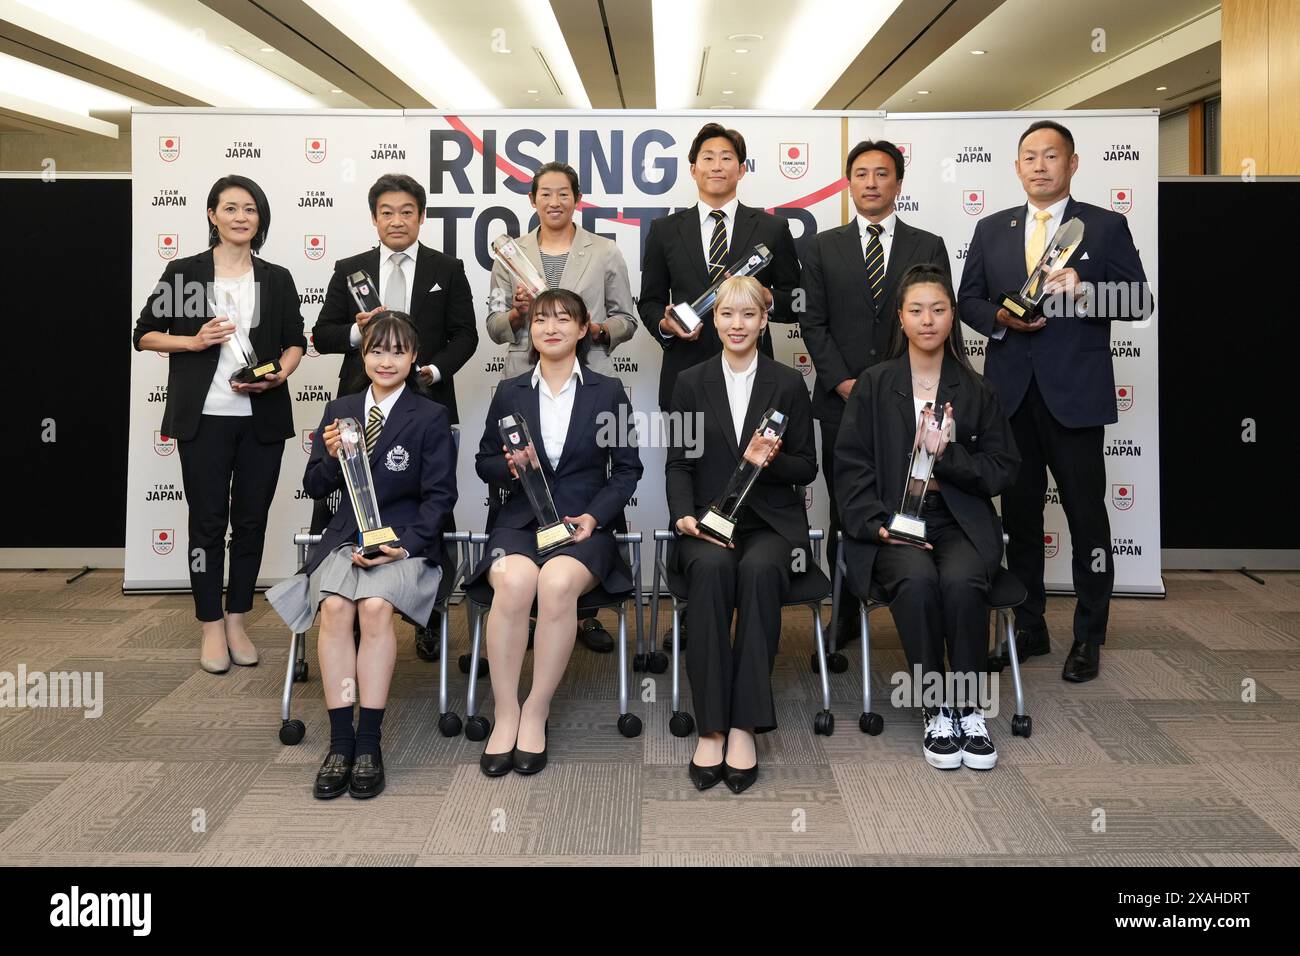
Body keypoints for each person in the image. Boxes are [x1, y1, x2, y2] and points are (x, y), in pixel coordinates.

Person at [957, 119, 1151, 683]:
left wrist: (1086, 291)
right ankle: (1029, 623)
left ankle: (1089, 635)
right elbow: (968, 298)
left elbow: (1140, 299)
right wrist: (998, 317)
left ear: (1072, 164)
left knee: (1088, 519)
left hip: (1075, 398)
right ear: (1017, 167)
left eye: (1051, 156)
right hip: (1010, 399)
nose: (1039, 165)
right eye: (1029, 157)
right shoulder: (993, 228)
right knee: (1017, 517)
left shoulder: (1105, 225)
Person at [266, 311, 458, 800]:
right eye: (376, 350)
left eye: (397, 351)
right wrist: (328, 456)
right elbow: (314, 487)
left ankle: (369, 743)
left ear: (415, 357)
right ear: (362, 355)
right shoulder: (340, 409)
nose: (386, 360)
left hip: (405, 543)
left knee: (373, 609)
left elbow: (440, 499)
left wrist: (404, 545)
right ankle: (341, 740)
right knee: (334, 608)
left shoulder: (431, 416)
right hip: (346, 539)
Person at [836, 264, 1019, 770]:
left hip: (957, 520)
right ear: (901, 317)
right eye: (916, 310)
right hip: (892, 523)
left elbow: (1004, 468)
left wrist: (949, 456)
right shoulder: (874, 385)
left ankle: (968, 708)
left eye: (938, 310)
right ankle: (936, 704)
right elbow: (850, 466)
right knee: (916, 584)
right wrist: (876, 524)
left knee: (962, 583)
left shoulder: (976, 388)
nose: (928, 320)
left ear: (952, 316)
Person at [133, 174, 305, 674]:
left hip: (261, 420)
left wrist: (281, 376)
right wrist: (193, 341)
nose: (240, 217)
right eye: (230, 208)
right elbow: (144, 334)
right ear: (212, 215)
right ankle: (209, 622)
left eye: (250, 209)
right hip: (204, 419)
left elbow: (294, 340)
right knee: (207, 525)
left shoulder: (276, 278)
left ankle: (237, 618)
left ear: (260, 219)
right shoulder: (186, 274)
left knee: (250, 524)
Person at [468, 289, 642, 778]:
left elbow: (627, 470)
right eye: (542, 319)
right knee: (515, 581)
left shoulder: (607, 392)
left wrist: (595, 517)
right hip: (521, 522)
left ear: (584, 329)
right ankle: (506, 712)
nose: (551, 327)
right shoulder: (510, 391)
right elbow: (484, 462)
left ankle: (536, 710)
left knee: (558, 583)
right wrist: (506, 466)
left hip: (584, 526)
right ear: (531, 330)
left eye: (564, 319)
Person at [311, 172, 477, 660]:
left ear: (421, 217)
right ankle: (343, 604)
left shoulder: (446, 267)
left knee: (428, 503)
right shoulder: (350, 268)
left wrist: (429, 370)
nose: (397, 220)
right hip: (357, 407)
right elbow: (322, 335)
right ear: (374, 218)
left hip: (426, 405)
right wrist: (358, 334)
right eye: (387, 212)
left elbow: (464, 335)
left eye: (407, 211)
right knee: (340, 505)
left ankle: (428, 612)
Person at [666, 276, 817, 793]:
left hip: (770, 522)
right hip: (707, 521)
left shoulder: (788, 383)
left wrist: (770, 463)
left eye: (748, 315)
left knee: (757, 573)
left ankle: (744, 724)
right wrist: (683, 515)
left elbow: (807, 467)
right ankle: (710, 725)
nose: (737, 324)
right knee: (709, 573)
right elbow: (678, 464)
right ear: (713, 320)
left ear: (764, 320)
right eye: (727, 314)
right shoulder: (690, 381)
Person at [799, 139, 950, 651]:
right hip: (842, 401)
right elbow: (812, 322)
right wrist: (845, 382)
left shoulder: (927, 244)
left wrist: (898, 386)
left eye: (882, 174)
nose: (871, 182)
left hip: (913, 399)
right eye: (861, 173)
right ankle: (843, 614)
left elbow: (934, 321)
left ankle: (920, 599)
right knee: (848, 507)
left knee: (923, 495)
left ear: (898, 184)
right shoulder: (821, 246)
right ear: (848, 183)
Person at [485, 161, 638, 654]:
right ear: (532, 200)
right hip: (525, 373)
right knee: (522, 482)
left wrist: (592, 330)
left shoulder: (605, 251)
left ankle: (581, 608)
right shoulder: (510, 253)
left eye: (564, 193)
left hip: (585, 371)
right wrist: (517, 312)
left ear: (577, 199)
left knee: (585, 478)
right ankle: (522, 606)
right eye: (545, 193)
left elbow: (626, 320)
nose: (554, 201)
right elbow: (493, 324)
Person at [638, 121, 802, 414]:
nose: (716, 166)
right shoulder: (664, 231)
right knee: (685, 461)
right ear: (693, 169)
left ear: (740, 170)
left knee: (756, 459)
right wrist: (665, 325)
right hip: (685, 373)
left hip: (755, 374)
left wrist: (769, 298)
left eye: (726, 158)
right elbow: (650, 301)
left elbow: (799, 299)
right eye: (708, 157)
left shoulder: (772, 229)